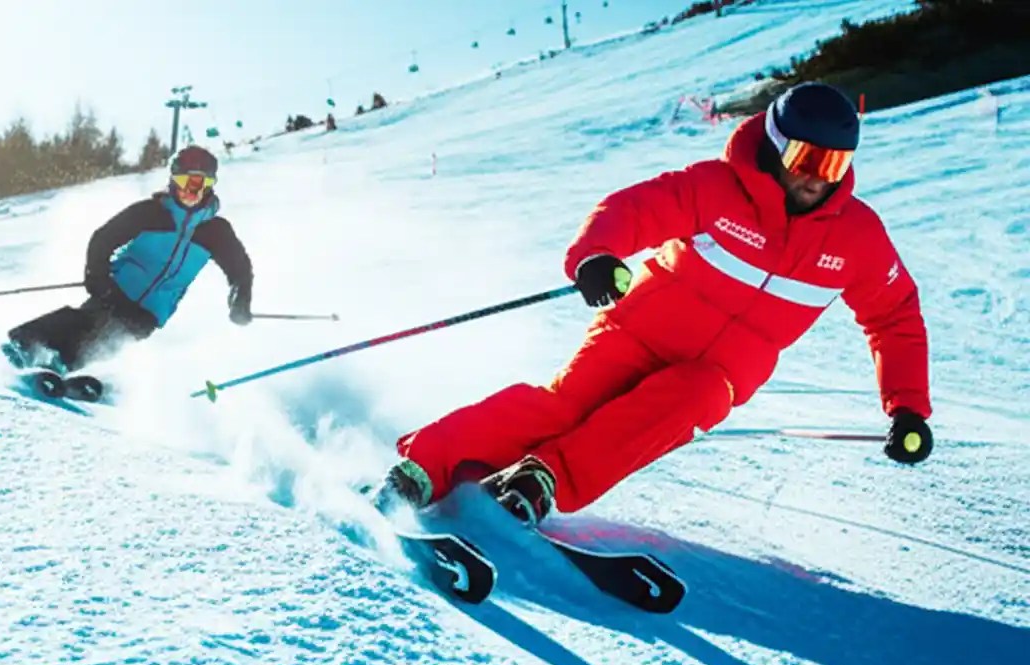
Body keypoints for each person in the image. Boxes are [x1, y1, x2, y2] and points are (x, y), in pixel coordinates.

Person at [375, 82, 934, 525]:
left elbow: (895, 315)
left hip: (717, 371)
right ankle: (422, 467)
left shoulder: (856, 239)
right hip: (637, 331)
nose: (816, 179)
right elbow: (638, 208)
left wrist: (908, 406)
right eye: (807, 158)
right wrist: (597, 255)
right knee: (566, 406)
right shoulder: (717, 187)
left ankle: (541, 481)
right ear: (776, 142)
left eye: (833, 165)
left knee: (689, 398)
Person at [3, 145, 254, 374]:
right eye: (185, 181)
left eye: (201, 183)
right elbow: (103, 239)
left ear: (211, 185)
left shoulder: (217, 232)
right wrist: (97, 277)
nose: (192, 190)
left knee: (109, 343)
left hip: (151, 311)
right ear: (173, 181)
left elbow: (240, 271)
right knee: (86, 322)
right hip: (117, 289)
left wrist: (240, 300)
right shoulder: (152, 213)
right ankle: (26, 342)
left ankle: (68, 371)